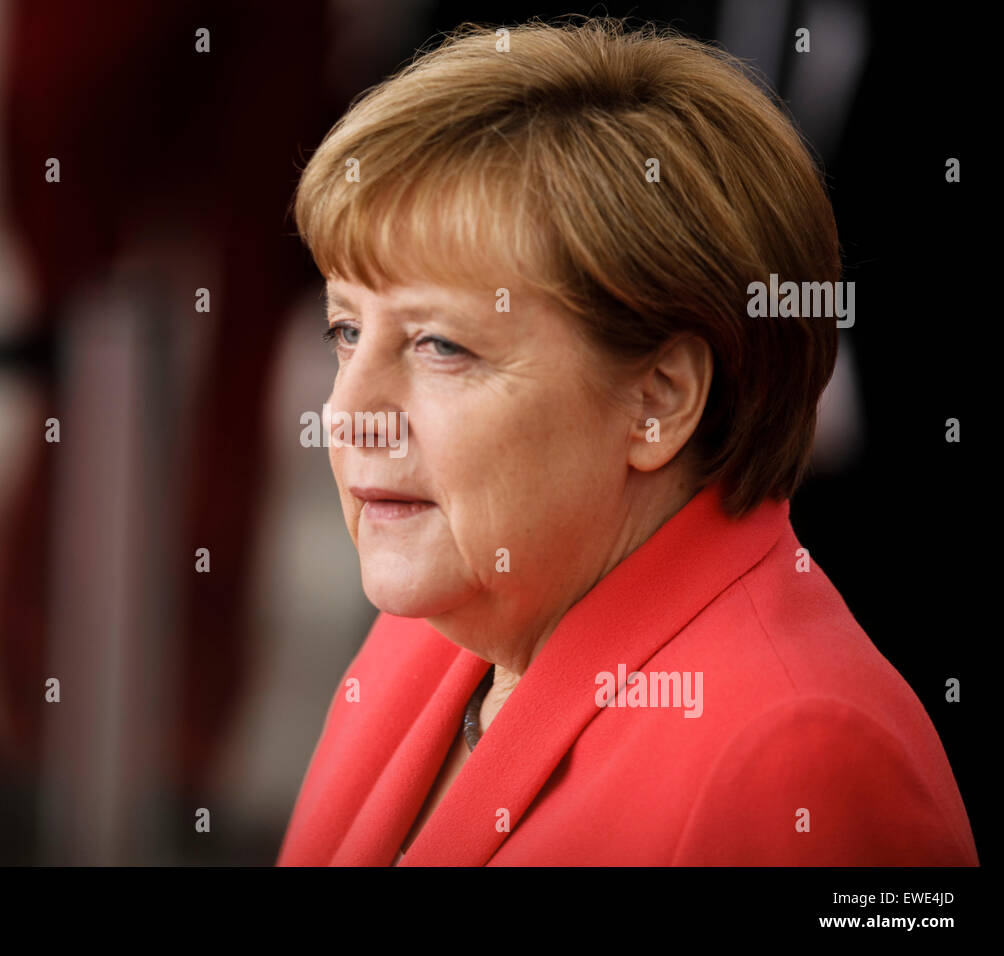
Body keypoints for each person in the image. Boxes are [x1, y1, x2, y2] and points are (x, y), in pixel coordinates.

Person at [276, 17, 977, 866]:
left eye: (441, 346)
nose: (349, 413)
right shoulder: (436, 626)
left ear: (660, 399)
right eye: (345, 332)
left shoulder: (801, 756)